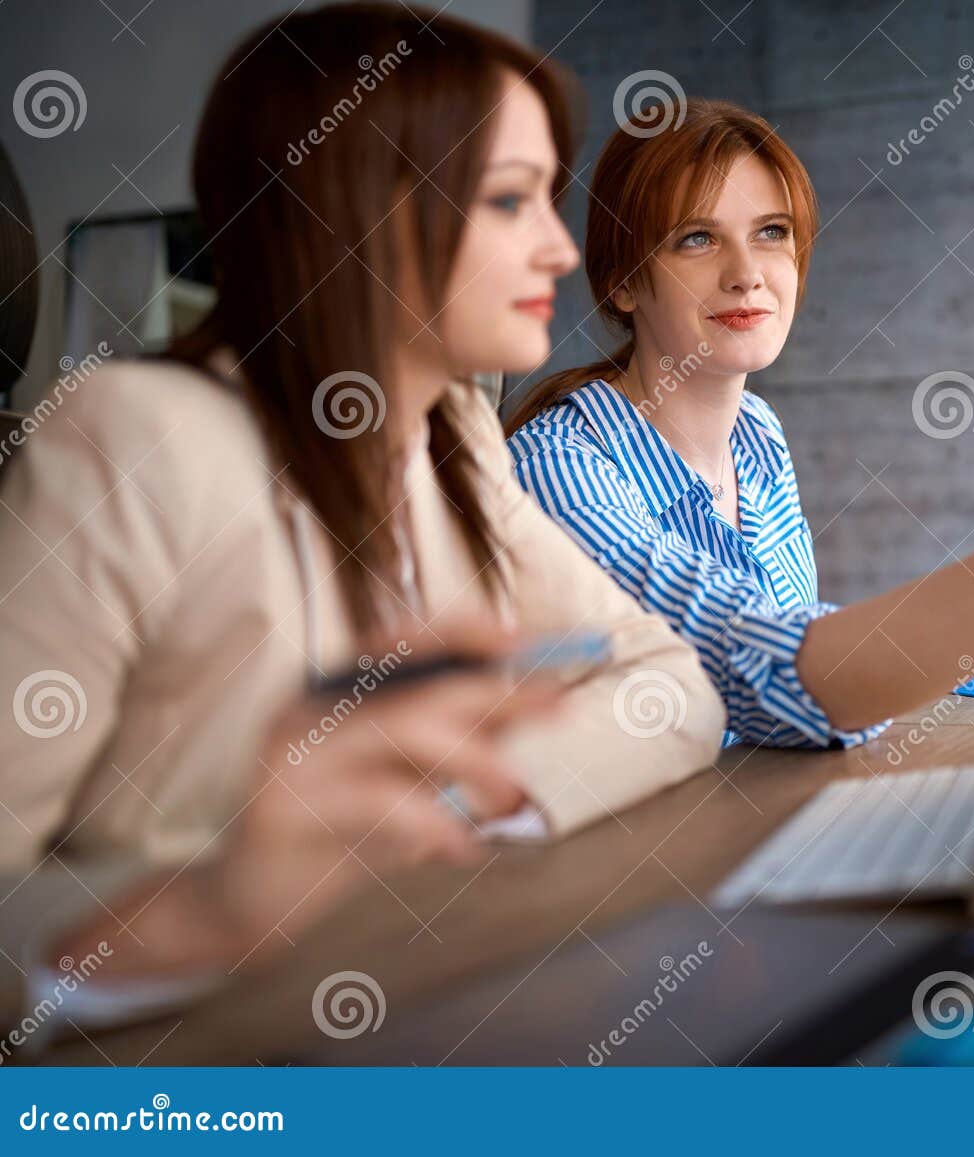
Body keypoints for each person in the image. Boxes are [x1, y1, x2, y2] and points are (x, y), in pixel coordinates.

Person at [0, 4, 723, 1034]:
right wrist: (212, 905)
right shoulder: (133, 436)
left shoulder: (456, 439)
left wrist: (459, 801)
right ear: (359, 208)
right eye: (512, 201)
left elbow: (674, 686)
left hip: (426, 1000)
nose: (562, 250)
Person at [505, 98, 974, 748]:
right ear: (622, 281)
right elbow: (775, 678)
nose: (747, 272)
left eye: (771, 232)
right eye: (695, 239)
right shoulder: (558, 468)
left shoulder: (756, 434)